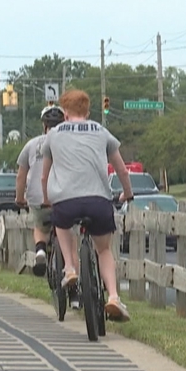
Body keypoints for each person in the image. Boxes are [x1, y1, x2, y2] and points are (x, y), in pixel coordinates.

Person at [40, 89, 134, 322]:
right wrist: (127, 194)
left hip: (66, 201)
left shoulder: (53, 135)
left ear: (65, 112)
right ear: (88, 111)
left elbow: (44, 176)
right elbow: (121, 169)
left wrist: (47, 199)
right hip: (98, 200)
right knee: (103, 250)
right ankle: (112, 296)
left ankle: (70, 268)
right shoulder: (102, 132)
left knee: (61, 224)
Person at [15, 104, 67, 277]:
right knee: (68, 229)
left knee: (40, 226)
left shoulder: (31, 145)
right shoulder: (69, 143)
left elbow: (21, 176)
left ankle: (40, 251)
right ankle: (70, 265)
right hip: (63, 196)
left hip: (38, 198)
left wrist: (19, 198)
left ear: (44, 126)